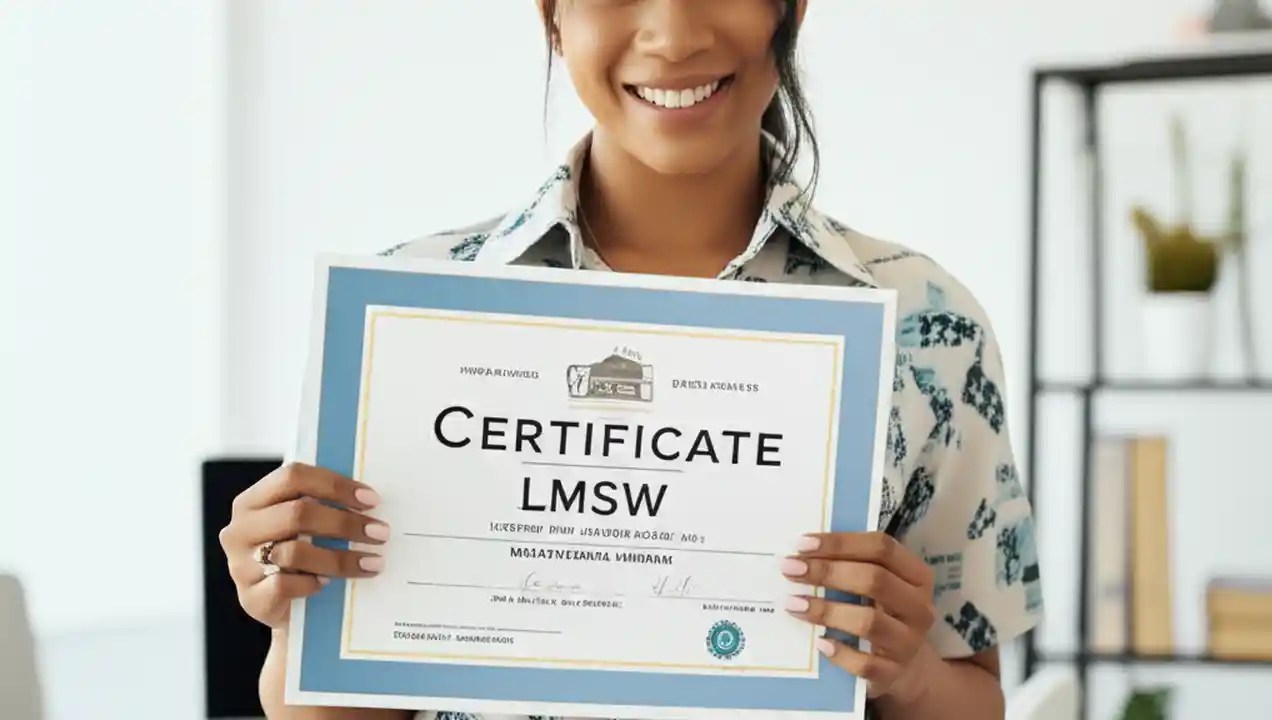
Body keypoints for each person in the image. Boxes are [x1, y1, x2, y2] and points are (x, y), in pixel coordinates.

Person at [217, 1, 1044, 718]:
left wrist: (906, 674)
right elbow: (329, 712)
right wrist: (294, 618)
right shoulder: (409, 312)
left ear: (789, 8)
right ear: (552, 16)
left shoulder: (927, 325)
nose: (674, 34)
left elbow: (974, 700)